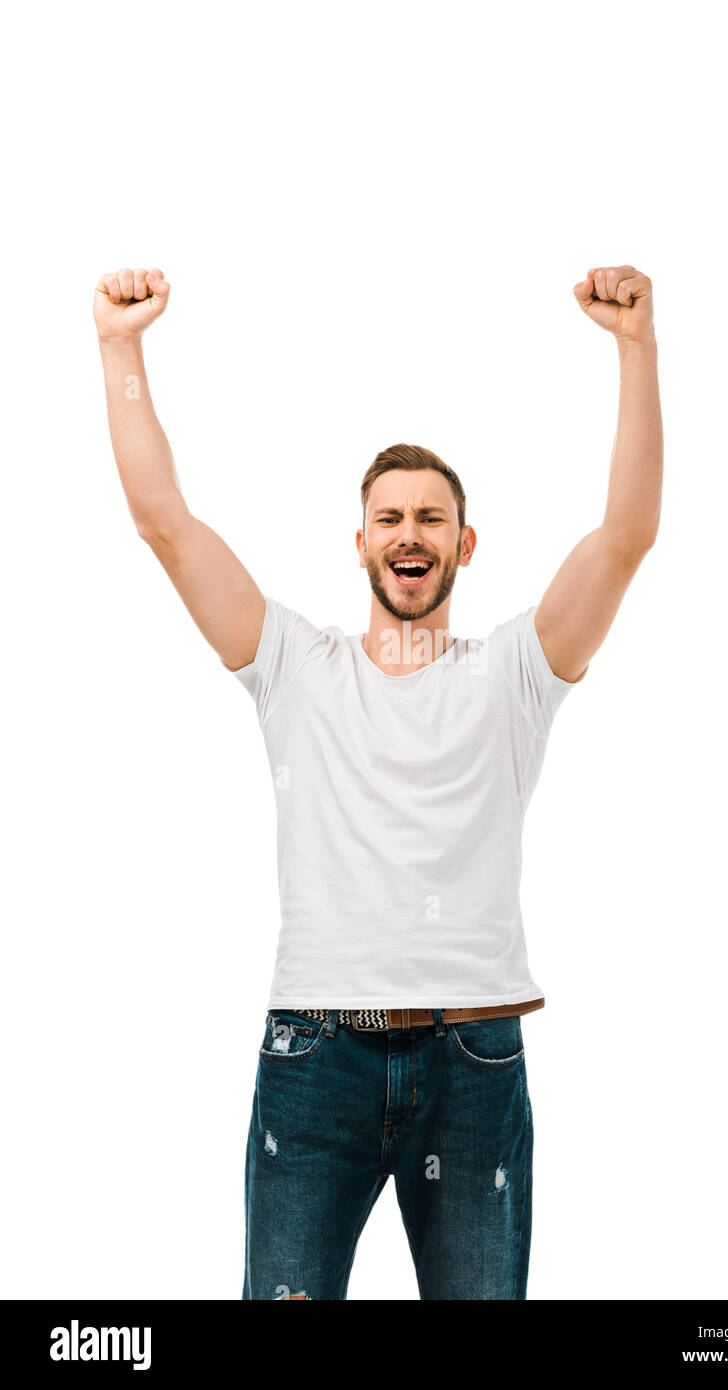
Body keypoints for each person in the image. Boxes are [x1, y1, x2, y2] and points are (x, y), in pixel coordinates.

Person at [94, 263, 663, 1300]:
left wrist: (636, 347)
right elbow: (164, 522)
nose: (410, 533)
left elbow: (625, 539)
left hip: (475, 1060)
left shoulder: (513, 675)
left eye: (432, 518)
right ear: (360, 543)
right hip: (316, 1060)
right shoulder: (293, 666)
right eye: (390, 517)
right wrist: (119, 349)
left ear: (464, 544)